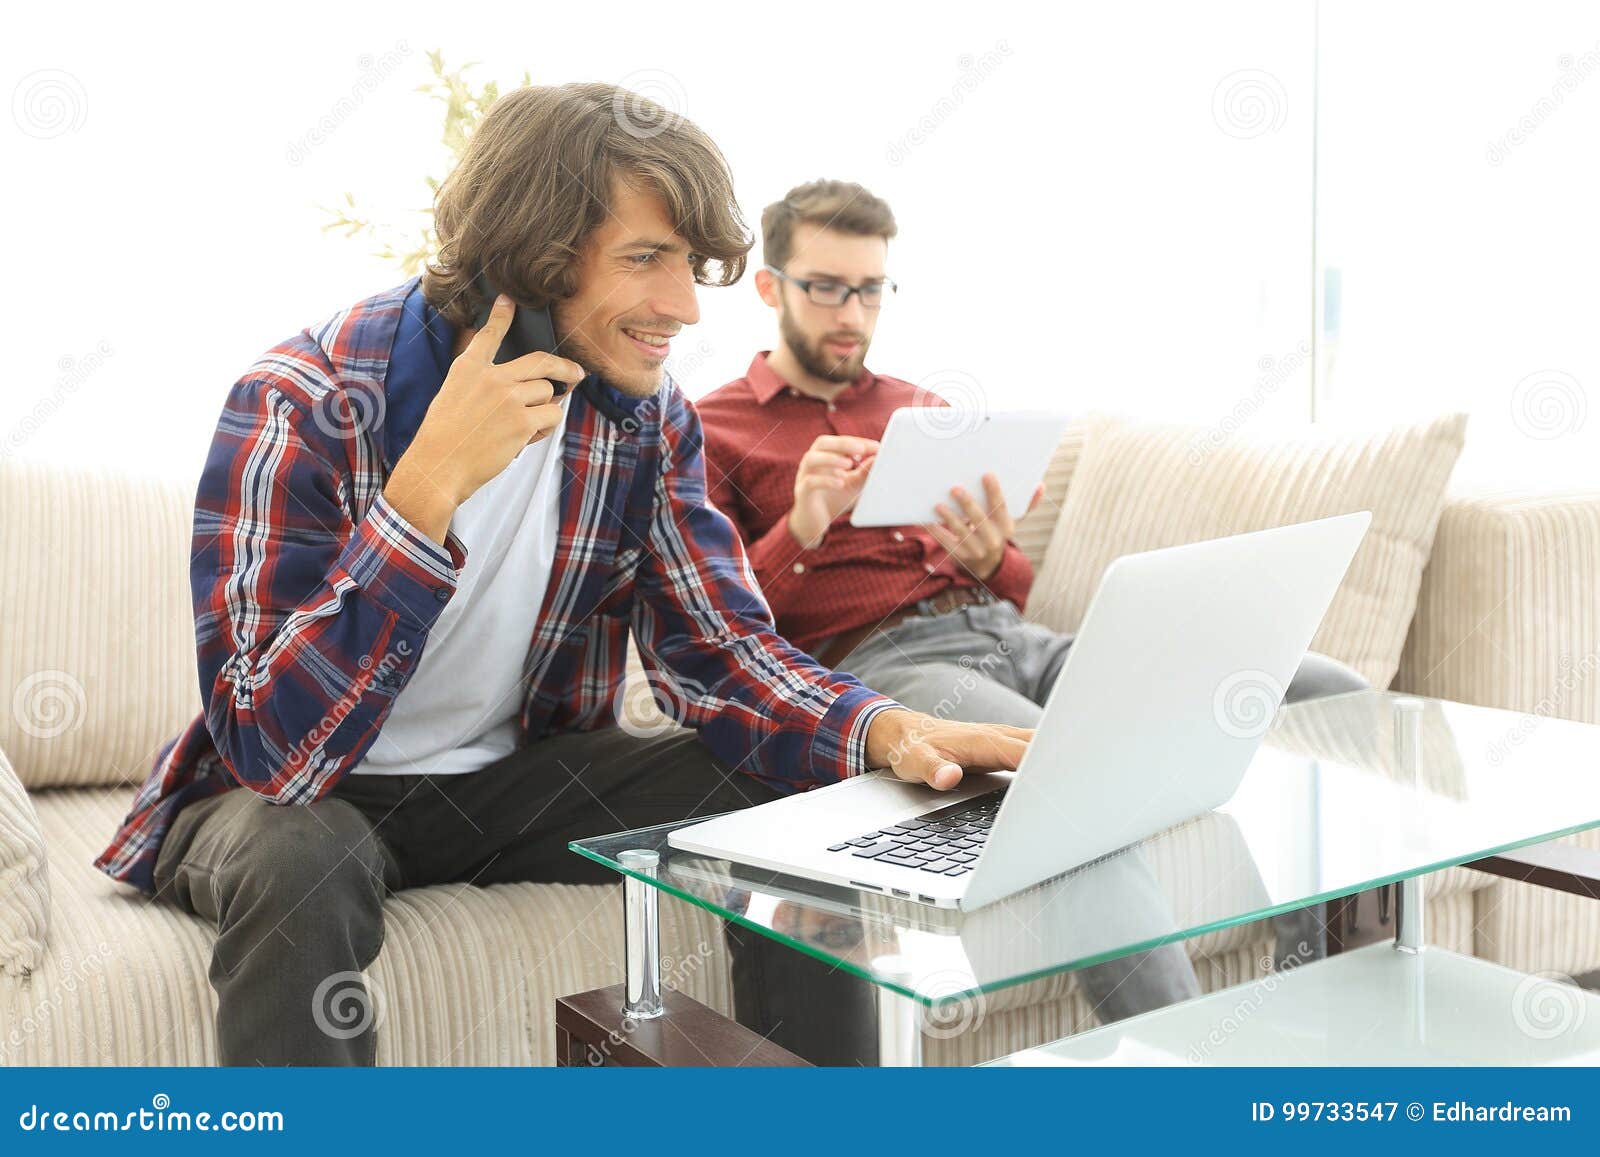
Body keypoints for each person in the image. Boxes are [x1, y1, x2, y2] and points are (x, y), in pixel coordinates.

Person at [94, 92, 1028, 1067]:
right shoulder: (306, 397)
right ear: (532, 259)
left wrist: (887, 729)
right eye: (645, 257)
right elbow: (269, 747)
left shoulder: (642, 419)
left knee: (788, 795)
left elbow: (720, 650)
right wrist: (423, 495)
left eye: (687, 264)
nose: (684, 307)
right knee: (299, 856)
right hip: (306, 796)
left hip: (511, 786)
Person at [696, 180, 1368, 1009]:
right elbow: (723, 629)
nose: (853, 313)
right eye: (827, 288)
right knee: (1068, 784)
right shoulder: (714, 428)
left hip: (1015, 637)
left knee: (1328, 691)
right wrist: (801, 525)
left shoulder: (920, 407)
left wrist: (990, 555)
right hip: (890, 666)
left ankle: (1318, 990)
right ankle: (1179, 1058)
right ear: (770, 288)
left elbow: (1013, 584)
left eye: (871, 289)